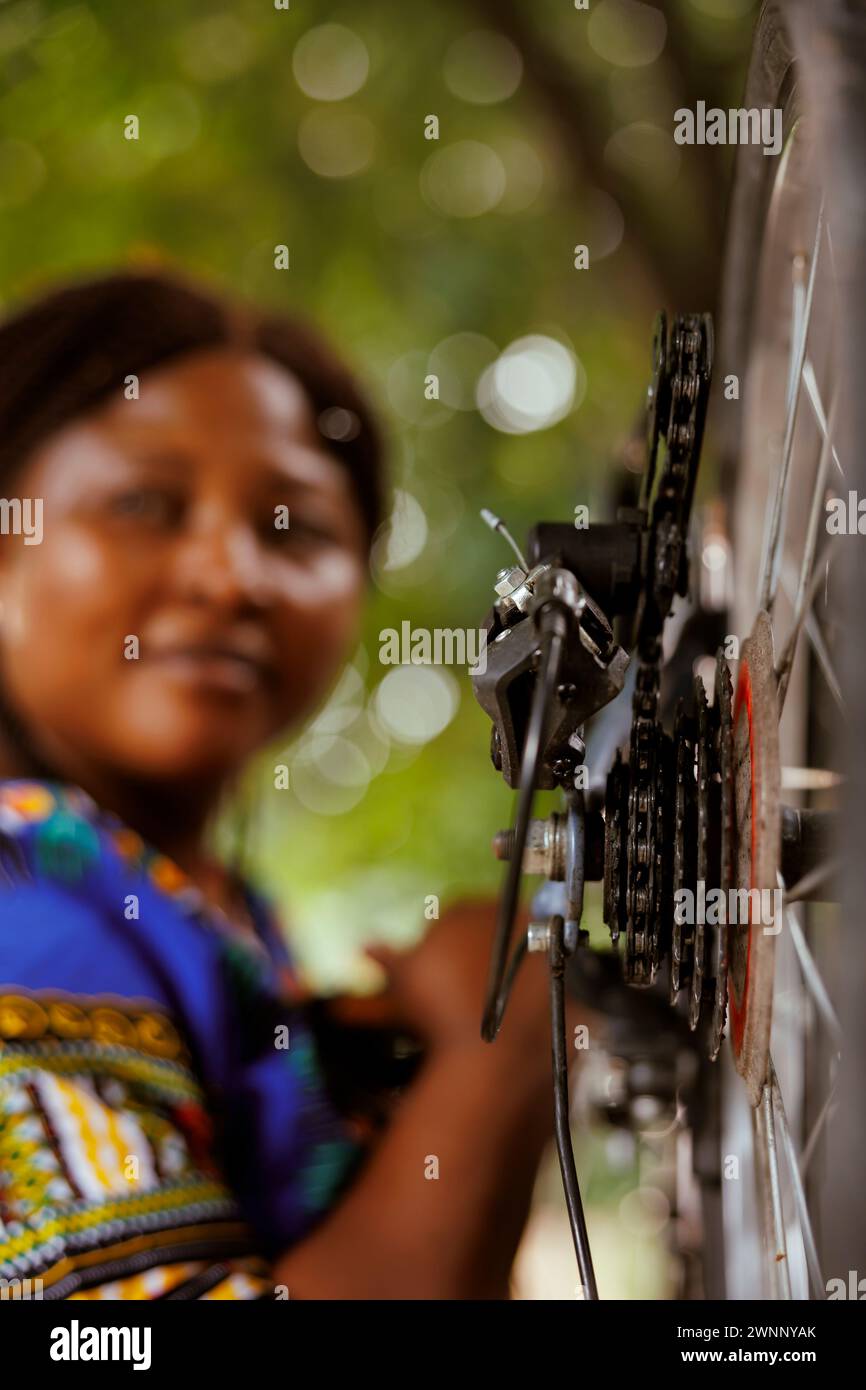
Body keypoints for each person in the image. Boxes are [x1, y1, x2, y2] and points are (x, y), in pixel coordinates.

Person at [0, 269, 557, 1301]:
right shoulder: (26, 925)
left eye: (293, 528)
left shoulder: (212, 920)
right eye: (143, 504)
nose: (231, 577)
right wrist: (499, 1052)